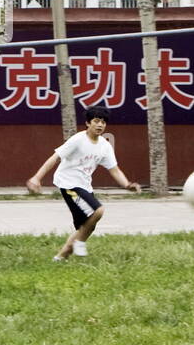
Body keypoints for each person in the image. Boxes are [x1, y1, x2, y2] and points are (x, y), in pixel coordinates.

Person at [26, 105, 140, 262]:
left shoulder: (105, 146)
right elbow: (55, 157)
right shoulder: (77, 140)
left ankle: (60, 257)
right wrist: (36, 177)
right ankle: (79, 243)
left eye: (103, 122)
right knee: (97, 211)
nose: (100, 125)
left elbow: (114, 170)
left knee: (86, 226)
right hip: (68, 184)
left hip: (85, 186)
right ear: (88, 123)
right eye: (96, 121)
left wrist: (127, 185)